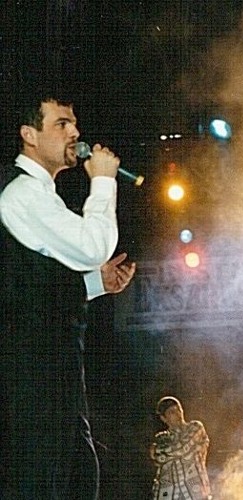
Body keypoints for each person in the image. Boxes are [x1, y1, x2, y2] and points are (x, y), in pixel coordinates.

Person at [0, 91, 136, 499]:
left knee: (76, 476)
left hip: (51, 379)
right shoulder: (22, 193)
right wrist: (104, 181)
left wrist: (96, 284)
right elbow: (93, 247)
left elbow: (32, 287)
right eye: (61, 124)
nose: (75, 132)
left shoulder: (40, 196)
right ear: (29, 134)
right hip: (32, 384)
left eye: (74, 123)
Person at [150, 396, 212, 500]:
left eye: (179, 409)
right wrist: (167, 453)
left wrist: (158, 451)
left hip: (195, 493)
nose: (178, 414)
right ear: (164, 418)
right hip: (169, 495)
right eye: (172, 412)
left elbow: (182, 449)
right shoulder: (161, 438)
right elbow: (157, 459)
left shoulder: (195, 427)